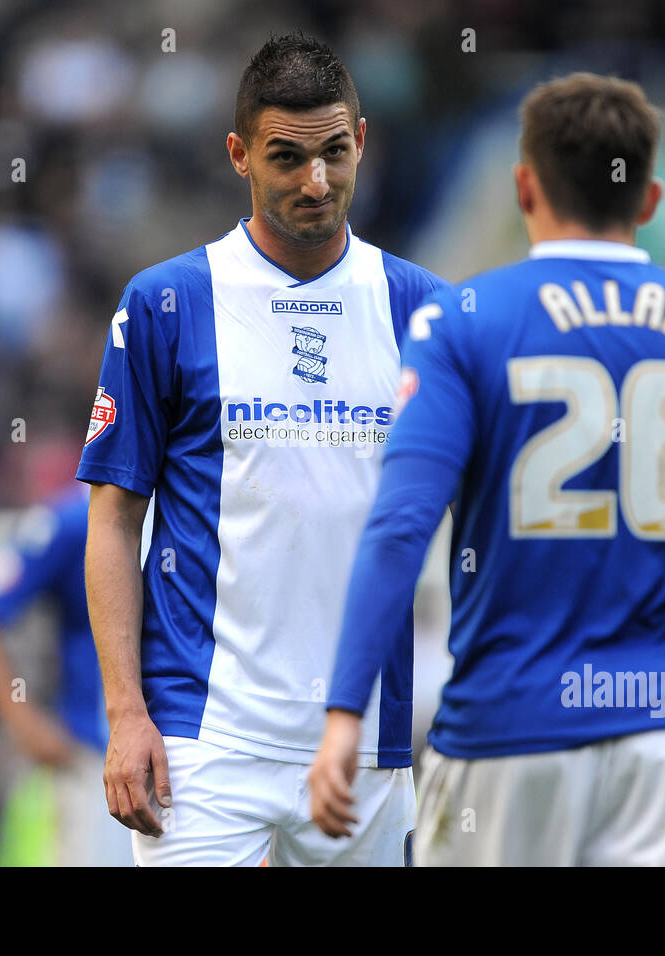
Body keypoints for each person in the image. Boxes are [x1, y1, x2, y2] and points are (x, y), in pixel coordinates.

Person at [309, 73, 665, 866]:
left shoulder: (465, 323)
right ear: (648, 199)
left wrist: (343, 715)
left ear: (523, 186)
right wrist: (658, 648)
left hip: (508, 740)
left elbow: (401, 526)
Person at [76, 32, 448, 866]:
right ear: (240, 154)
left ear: (363, 139)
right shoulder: (167, 304)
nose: (317, 181)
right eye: (288, 157)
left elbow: (483, 513)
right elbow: (112, 522)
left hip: (364, 745)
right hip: (202, 744)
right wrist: (125, 714)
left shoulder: (427, 311)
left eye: (335, 152)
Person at [0, 484, 137, 866]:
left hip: (195, 759)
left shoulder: (196, 504)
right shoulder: (71, 521)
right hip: (102, 771)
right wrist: (26, 724)